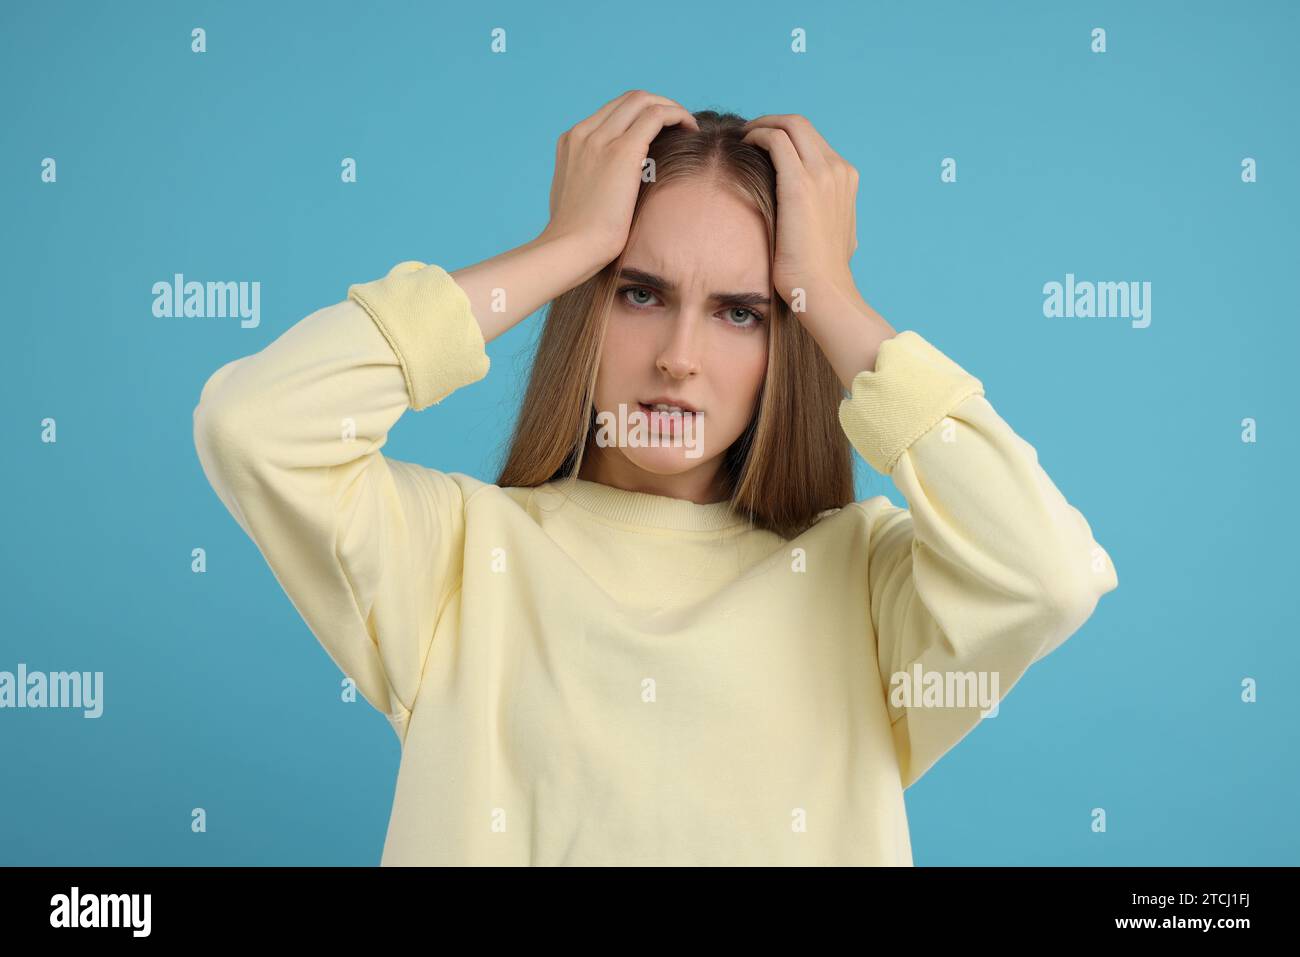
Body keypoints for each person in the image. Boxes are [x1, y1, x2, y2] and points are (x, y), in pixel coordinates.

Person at [192, 90, 1119, 866]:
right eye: (639, 292)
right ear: (588, 307)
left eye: (741, 313)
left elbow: (1047, 574)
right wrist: (564, 247)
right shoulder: (460, 554)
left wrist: (829, 293)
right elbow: (254, 426)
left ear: (785, 340)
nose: (679, 357)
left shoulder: (866, 586)